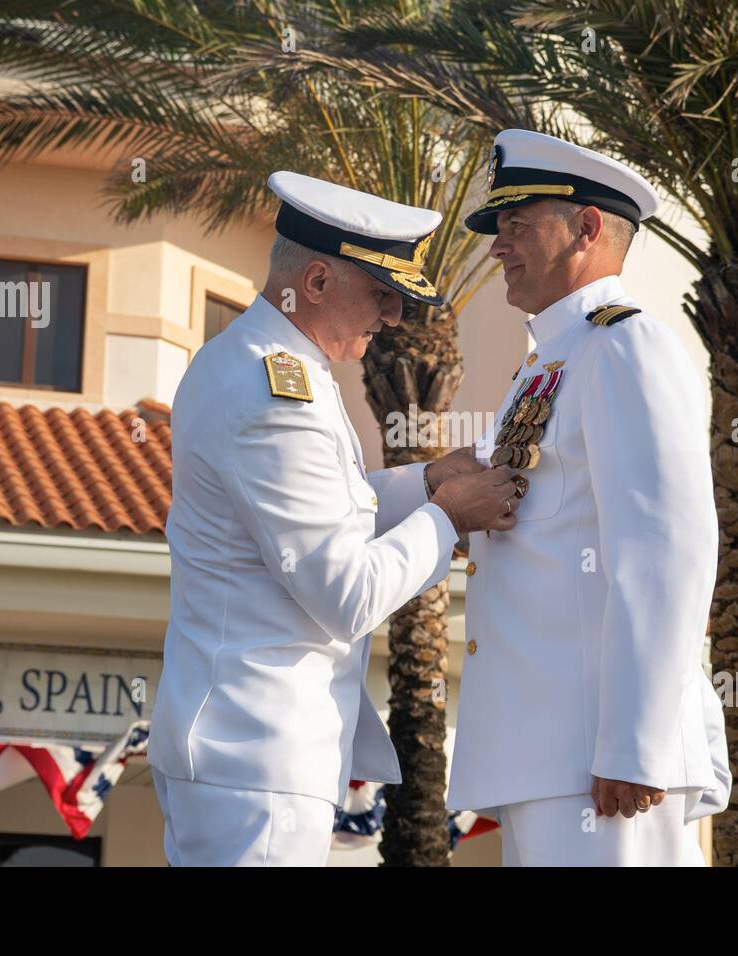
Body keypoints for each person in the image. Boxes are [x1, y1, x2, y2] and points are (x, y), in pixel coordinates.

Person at [148, 170, 513, 866]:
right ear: (315, 282)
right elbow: (344, 592)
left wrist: (428, 479)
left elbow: (323, 511)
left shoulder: (254, 365)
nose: (394, 317)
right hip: (258, 762)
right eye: (382, 294)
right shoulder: (274, 395)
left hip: (243, 754)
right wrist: (447, 515)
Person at [446, 129, 725, 865]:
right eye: (496, 227)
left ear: (588, 228)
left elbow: (667, 549)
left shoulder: (625, 347)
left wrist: (636, 742)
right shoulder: (551, 361)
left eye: (516, 224)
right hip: (549, 752)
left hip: (600, 757)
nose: (498, 245)